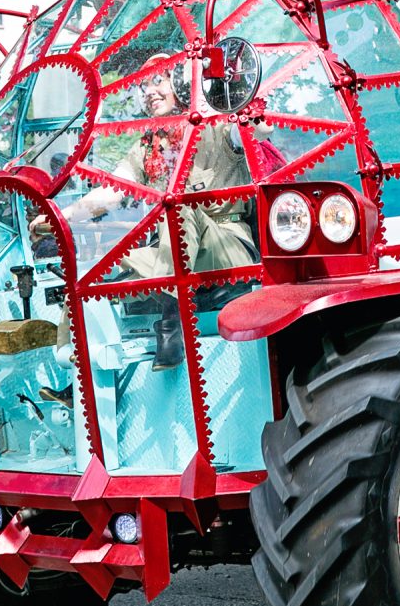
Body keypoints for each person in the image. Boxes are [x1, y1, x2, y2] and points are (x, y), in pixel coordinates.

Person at [42, 55, 255, 372]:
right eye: (143, 85)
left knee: (176, 202)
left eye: (158, 81)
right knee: (92, 268)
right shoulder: (148, 146)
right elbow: (112, 191)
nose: (149, 91)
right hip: (173, 255)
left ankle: (171, 321)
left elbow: (257, 129)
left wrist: (244, 97)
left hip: (227, 245)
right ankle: (74, 367)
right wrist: (59, 216)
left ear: (181, 84)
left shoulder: (218, 126)